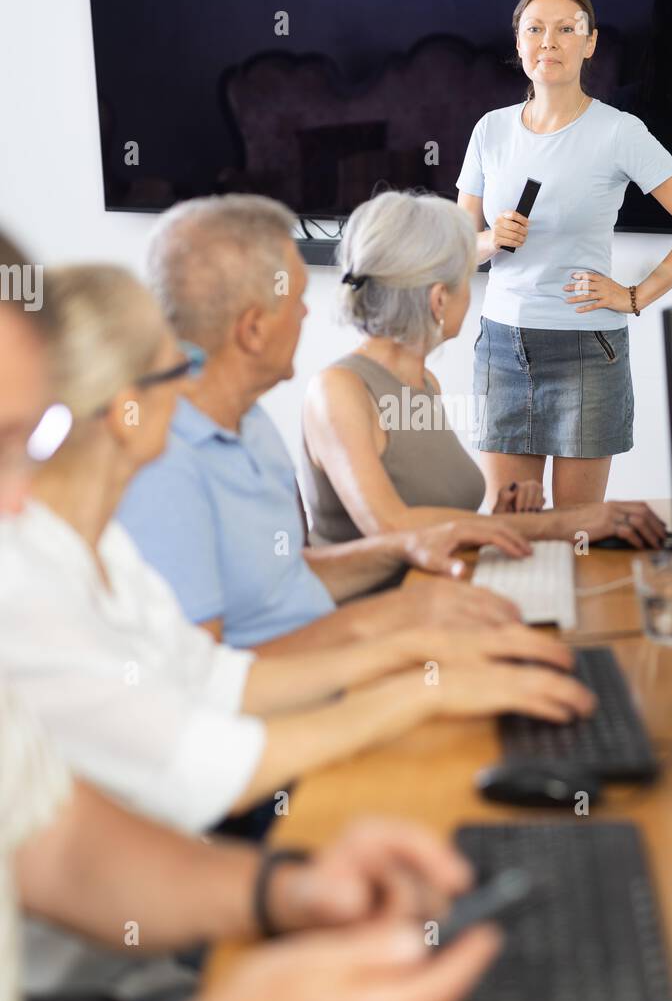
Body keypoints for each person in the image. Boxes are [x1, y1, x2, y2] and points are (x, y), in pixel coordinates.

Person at [0, 227, 499, 1001]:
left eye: (24, 440)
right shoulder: (27, 594)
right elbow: (200, 757)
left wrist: (291, 890)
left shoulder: (70, 547)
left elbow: (61, 845)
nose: (21, 499)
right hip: (118, 999)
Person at [0, 261, 591, 841]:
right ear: (125, 411)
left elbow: (218, 681)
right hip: (206, 826)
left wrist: (416, 645)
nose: (189, 385)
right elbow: (202, 762)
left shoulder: (110, 552)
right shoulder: (36, 586)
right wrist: (420, 683)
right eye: (176, 368)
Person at [118, 193, 533, 651]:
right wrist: (391, 635)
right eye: (297, 298)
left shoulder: (250, 423)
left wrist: (448, 549)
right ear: (253, 328)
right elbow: (206, 683)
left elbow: (293, 577)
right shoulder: (162, 460)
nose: (308, 312)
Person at [456, 0, 672, 508]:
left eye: (565, 29)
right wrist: (490, 242)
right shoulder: (490, 130)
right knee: (513, 531)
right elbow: (454, 248)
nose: (549, 42)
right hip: (502, 347)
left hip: (586, 349)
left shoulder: (619, 131)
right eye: (535, 29)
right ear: (518, 42)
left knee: (579, 529)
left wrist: (634, 296)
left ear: (590, 42)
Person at [302, 189, 668, 549]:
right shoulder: (338, 391)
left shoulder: (422, 382)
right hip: (379, 605)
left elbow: (431, 516)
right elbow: (393, 527)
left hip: (437, 588)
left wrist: (505, 521)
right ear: (439, 299)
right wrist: (560, 523)